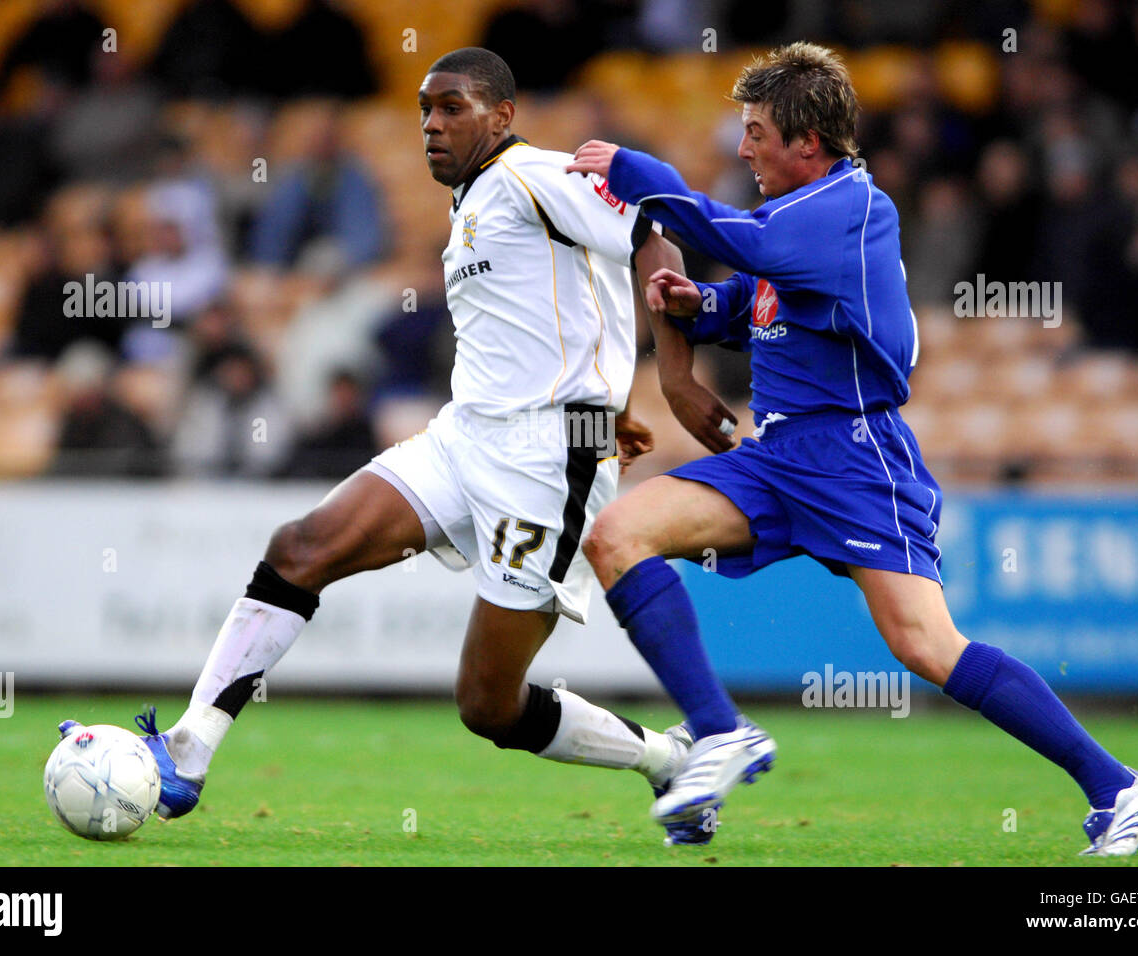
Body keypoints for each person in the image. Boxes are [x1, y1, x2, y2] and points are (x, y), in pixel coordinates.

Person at [567, 42, 1138, 857]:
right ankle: (719, 733)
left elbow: (746, 241)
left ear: (807, 142)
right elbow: (766, 300)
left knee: (925, 646)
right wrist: (701, 301)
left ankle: (1117, 785)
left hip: (853, 457)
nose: (744, 148)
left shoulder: (853, 207)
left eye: (756, 133)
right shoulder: (801, 217)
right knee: (617, 534)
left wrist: (643, 175)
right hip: (775, 457)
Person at [129, 48, 718, 846]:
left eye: (452, 107)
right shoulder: (475, 197)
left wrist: (670, 382)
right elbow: (557, 308)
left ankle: (668, 760)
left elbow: (654, 231)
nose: (432, 126)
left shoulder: (537, 174)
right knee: (302, 547)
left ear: (503, 115)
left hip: (545, 467)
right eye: (424, 110)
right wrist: (602, 395)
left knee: (487, 703)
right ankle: (189, 751)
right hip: (465, 434)